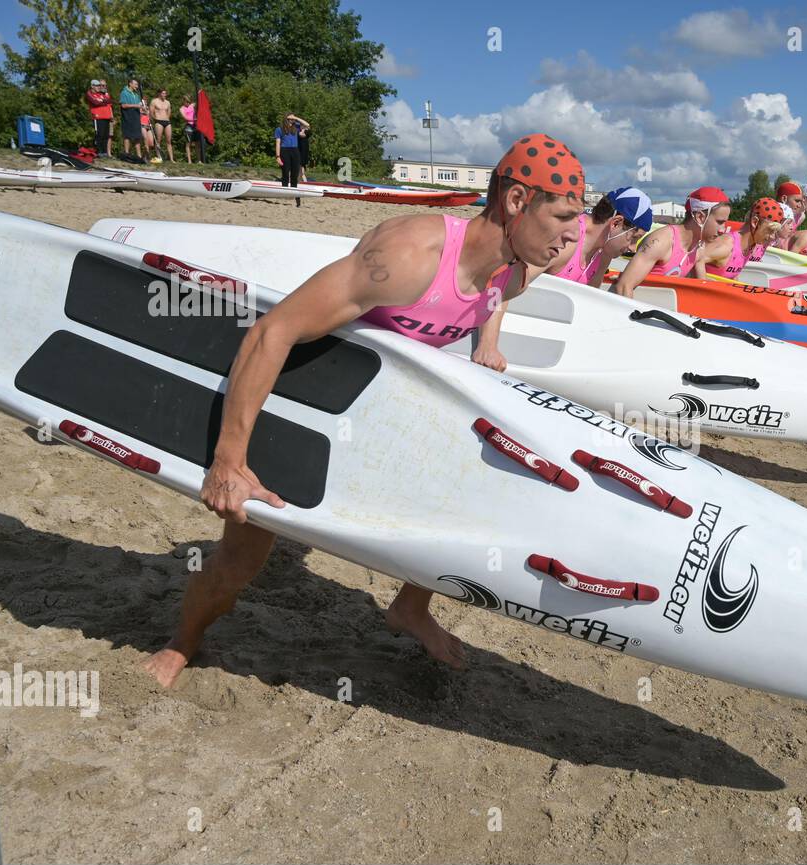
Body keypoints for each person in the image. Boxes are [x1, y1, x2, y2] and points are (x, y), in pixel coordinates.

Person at [143, 134, 586, 689]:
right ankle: (181, 643)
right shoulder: (406, 257)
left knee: (465, 501)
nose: (573, 235)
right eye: (565, 216)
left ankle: (411, 607)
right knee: (241, 560)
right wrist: (228, 458)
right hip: (300, 401)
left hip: (377, 414)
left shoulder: (514, 266)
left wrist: (485, 343)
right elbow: (274, 331)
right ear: (517, 202)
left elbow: (497, 292)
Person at [610, 186, 730, 297]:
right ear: (700, 217)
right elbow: (623, 286)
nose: (723, 230)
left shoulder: (698, 249)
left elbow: (701, 294)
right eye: (720, 222)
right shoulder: (661, 241)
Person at [546, 186, 652, 286]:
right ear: (616, 223)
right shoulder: (567, 238)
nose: (633, 249)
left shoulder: (604, 252)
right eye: (634, 238)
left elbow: (590, 298)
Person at [701, 196, 783, 278]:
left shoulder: (749, 247)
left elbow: (731, 275)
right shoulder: (727, 245)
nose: (772, 237)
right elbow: (691, 261)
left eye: (775, 232)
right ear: (754, 222)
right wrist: (703, 282)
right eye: (770, 230)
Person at [85, 80, 113, 157]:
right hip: (98, 117)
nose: (99, 87)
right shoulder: (89, 93)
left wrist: (104, 100)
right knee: (99, 135)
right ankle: (98, 151)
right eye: (97, 85)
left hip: (106, 117)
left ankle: (104, 152)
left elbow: (109, 101)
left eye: (99, 85)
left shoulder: (101, 94)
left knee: (105, 135)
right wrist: (104, 102)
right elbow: (95, 103)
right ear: (92, 86)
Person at [118, 78, 143, 160]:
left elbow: (139, 106)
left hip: (136, 117)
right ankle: (126, 154)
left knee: (137, 136)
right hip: (127, 116)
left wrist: (143, 109)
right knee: (127, 136)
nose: (137, 86)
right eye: (135, 84)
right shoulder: (124, 92)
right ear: (130, 84)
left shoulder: (136, 94)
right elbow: (123, 105)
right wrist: (135, 106)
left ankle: (139, 156)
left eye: (137, 84)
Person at [150, 88, 174, 163]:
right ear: (159, 94)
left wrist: (167, 118)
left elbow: (169, 111)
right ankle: (159, 157)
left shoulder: (168, 102)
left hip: (167, 121)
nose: (164, 95)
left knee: (169, 141)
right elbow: (151, 112)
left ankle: (171, 159)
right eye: (163, 93)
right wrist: (155, 119)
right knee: (158, 140)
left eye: (165, 93)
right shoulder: (154, 101)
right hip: (158, 121)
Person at [179, 94, 197, 163]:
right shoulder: (182, 108)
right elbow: (185, 118)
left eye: (189, 102)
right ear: (183, 101)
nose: (188, 103)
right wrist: (194, 120)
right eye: (186, 101)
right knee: (188, 144)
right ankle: (189, 161)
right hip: (188, 126)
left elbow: (199, 103)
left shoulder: (192, 105)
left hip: (195, 126)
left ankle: (198, 160)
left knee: (197, 143)